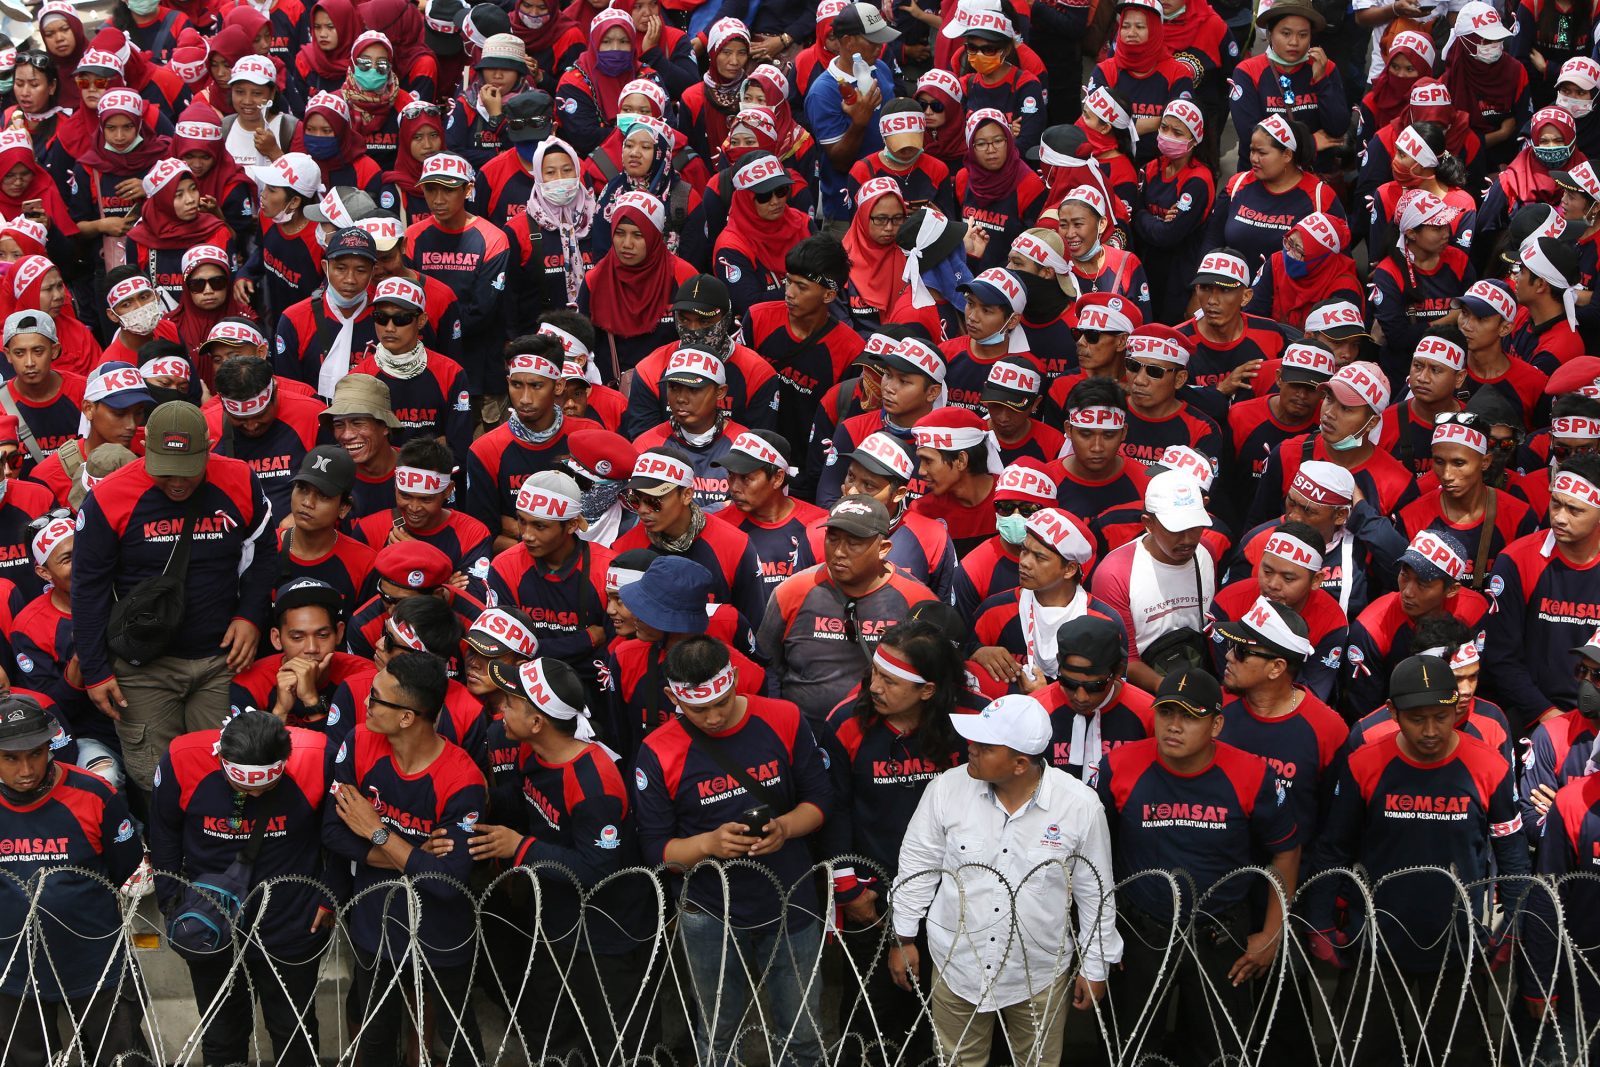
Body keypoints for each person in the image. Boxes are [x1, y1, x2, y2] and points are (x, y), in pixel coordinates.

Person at [1306, 654, 1528, 1063]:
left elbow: (1512, 855)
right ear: (1392, 712)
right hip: (1377, 943)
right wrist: (1319, 921)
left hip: (1457, 944)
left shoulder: (1490, 767)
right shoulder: (1364, 764)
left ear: (1455, 708)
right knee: (1364, 1054)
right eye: (1416, 719)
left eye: (1440, 717)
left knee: (1458, 1056)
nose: (1430, 731)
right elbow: (1332, 848)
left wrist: (1512, 926)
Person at [890, 692, 1120, 1067]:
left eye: (984, 745)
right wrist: (903, 938)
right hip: (956, 964)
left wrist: (1095, 966)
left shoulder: (1079, 807)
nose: (971, 749)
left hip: (1039, 972)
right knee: (957, 1061)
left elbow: (1096, 893)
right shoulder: (947, 789)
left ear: (1020, 764)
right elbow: (918, 864)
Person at [634, 634, 832, 1067]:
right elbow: (655, 849)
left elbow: (820, 801)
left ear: (736, 679)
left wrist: (785, 827)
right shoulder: (658, 751)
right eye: (698, 709)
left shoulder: (784, 718)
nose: (714, 716)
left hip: (790, 901)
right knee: (718, 1037)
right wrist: (708, 844)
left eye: (722, 701)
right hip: (709, 911)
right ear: (672, 698)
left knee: (802, 1033)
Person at [1096, 666, 1301, 1067]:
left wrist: (1272, 934)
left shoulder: (1253, 773)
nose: (1174, 726)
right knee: (1135, 1049)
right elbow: (1097, 852)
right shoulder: (1119, 765)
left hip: (1220, 935)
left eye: (1190, 716)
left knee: (1221, 1052)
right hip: (1142, 932)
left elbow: (1287, 852)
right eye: (1166, 712)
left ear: (1217, 724)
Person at [74, 402, 275, 798]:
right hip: (143, 670)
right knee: (157, 783)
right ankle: (167, 860)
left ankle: (215, 859)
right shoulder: (110, 497)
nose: (178, 483)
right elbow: (88, 588)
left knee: (223, 778)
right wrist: (96, 670)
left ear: (209, 448)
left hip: (220, 660)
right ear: (145, 447)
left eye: (188, 470)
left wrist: (251, 615)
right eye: (165, 471)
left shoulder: (240, 480)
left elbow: (264, 552)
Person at [322, 651, 486, 1064]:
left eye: (376, 698)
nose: (366, 704)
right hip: (374, 927)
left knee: (451, 1046)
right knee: (374, 1043)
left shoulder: (462, 779)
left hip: (441, 937)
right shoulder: (359, 741)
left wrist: (377, 831)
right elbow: (331, 832)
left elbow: (447, 883)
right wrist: (411, 854)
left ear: (407, 717)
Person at [150, 710, 337, 1067]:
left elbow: (338, 831)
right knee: (221, 1034)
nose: (252, 794)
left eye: (265, 787)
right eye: (242, 786)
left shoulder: (317, 756)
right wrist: (170, 899)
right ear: (221, 758)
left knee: (294, 1032)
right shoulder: (182, 759)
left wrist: (330, 893)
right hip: (212, 919)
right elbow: (164, 831)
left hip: (291, 917)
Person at [816, 619, 962, 1064]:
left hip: (950, 897)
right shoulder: (845, 723)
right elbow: (834, 810)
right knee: (871, 1015)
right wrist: (848, 889)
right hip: (872, 896)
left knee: (942, 1014)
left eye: (890, 681)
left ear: (928, 691)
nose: (874, 688)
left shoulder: (967, 723)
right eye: (874, 674)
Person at [0, 693, 143, 1067]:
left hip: (96, 961)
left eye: (35, 753)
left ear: (51, 746)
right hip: (12, 969)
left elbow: (122, 864)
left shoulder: (94, 793)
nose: (26, 768)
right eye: (10, 758)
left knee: (122, 1058)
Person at [759, 494, 936, 722]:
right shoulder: (792, 591)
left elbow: (934, 677)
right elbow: (765, 665)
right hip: (804, 736)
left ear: (883, 548)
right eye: (832, 539)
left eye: (853, 543)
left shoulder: (916, 600)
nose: (839, 552)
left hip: (878, 739)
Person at [1483, 453, 1600, 732]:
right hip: (1536, 714)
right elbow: (1502, 657)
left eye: (1575, 510)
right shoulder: (1516, 560)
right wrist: (1549, 717)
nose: (1559, 517)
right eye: (1556, 504)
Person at [611, 445, 768, 627]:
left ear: (686, 495)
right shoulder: (623, 549)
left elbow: (752, 624)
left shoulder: (735, 544)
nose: (643, 510)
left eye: (653, 501)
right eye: (635, 500)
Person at [1091, 469, 1218, 692]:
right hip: (1146, 691)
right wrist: (1175, 692)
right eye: (1176, 529)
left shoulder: (1206, 553)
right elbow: (1124, 658)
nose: (1188, 539)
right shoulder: (1115, 573)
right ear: (1148, 523)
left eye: (1196, 526)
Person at [970, 507, 1110, 694]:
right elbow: (959, 656)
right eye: (1024, 550)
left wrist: (1047, 695)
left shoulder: (1104, 623)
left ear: (1069, 569)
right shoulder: (993, 611)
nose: (1024, 562)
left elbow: (1110, 692)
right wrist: (977, 651)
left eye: (1039, 557)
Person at [350, 275, 473, 463]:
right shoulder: (359, 377)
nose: (389, 327)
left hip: (435, 483)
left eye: (401, 319)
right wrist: (432, 446)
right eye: (381, 318)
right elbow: (358, 450)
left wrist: (392, 452)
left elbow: (458, 447)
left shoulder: (451, 373)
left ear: (422, 320)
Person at [206, 355, 325, 522]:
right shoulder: (207, 426)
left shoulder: (311, 416)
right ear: (223, 404)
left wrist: (299, 522)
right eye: (240, 419)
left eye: (260, 415)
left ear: (275, 392)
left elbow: (337, 477)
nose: (251, 425)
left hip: (299, 535)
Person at [712, 430, 826, 594]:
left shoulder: (820, 524)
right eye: (731, 475)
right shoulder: (718, 527)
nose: (734, 488)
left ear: (778, 478)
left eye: (745, 478)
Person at [273, 226, 379, 400]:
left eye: (361, 270)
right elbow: (289, 391)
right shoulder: (294, 319)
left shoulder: (387, 317)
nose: (350, 280)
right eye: (340, 268)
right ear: (325, 267)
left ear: (373, 272)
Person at [320, 373, 402, 520]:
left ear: (385, 426)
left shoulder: (417, 468)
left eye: (357, 423)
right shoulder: (326, 473)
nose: (347, 435)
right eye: (339, 425)